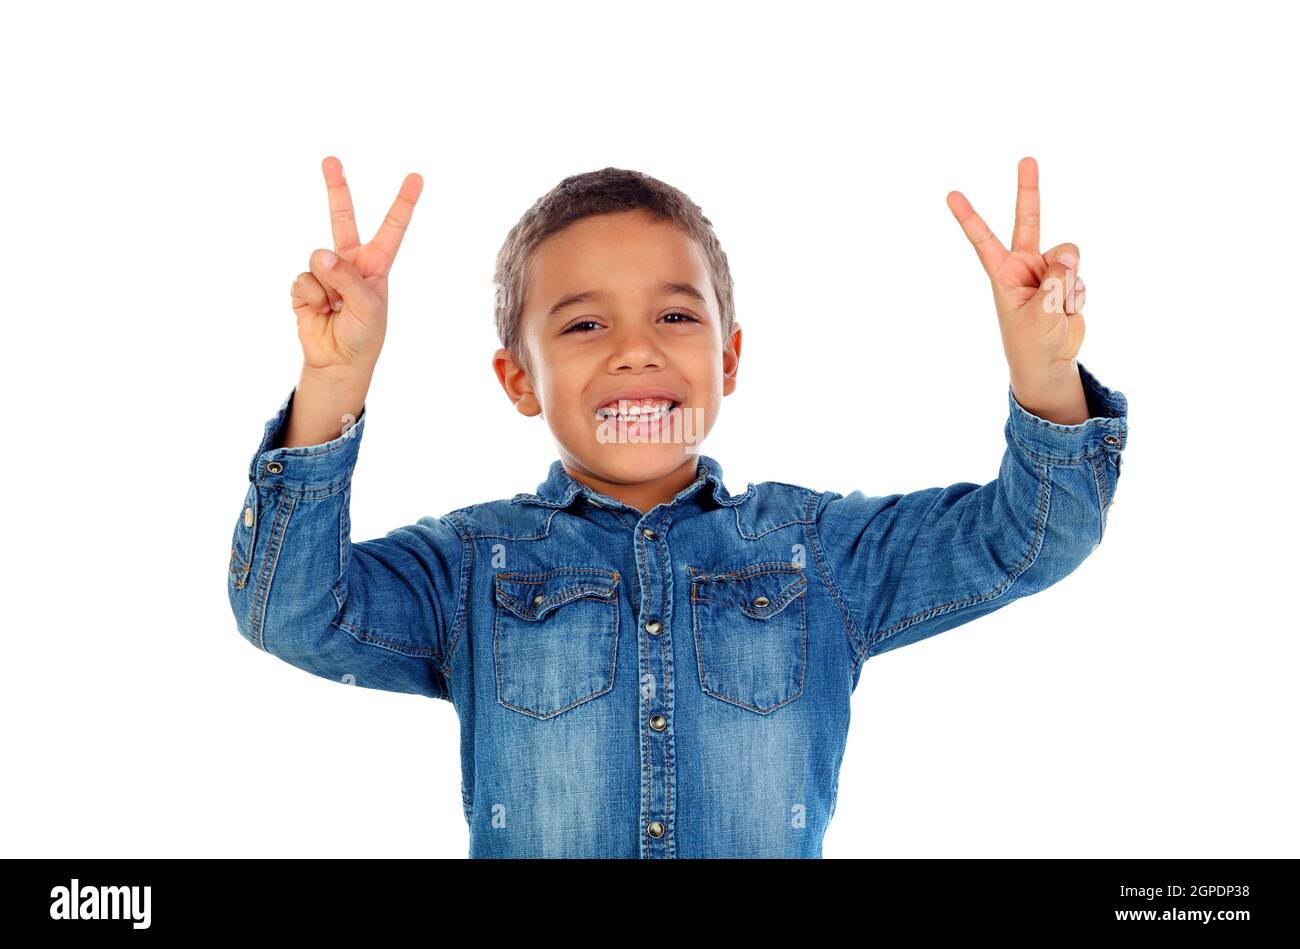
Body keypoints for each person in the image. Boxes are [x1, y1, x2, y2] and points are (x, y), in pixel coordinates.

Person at [227, 155, 1128, 858]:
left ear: (729, 359)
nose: (633, 351)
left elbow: (1031, 539)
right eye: (584, 324)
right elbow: (292, 610)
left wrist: (1044, 372)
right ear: (517, 379)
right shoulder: (471, 564)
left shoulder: (821, 551)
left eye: (675, 317)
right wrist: (335, 380)